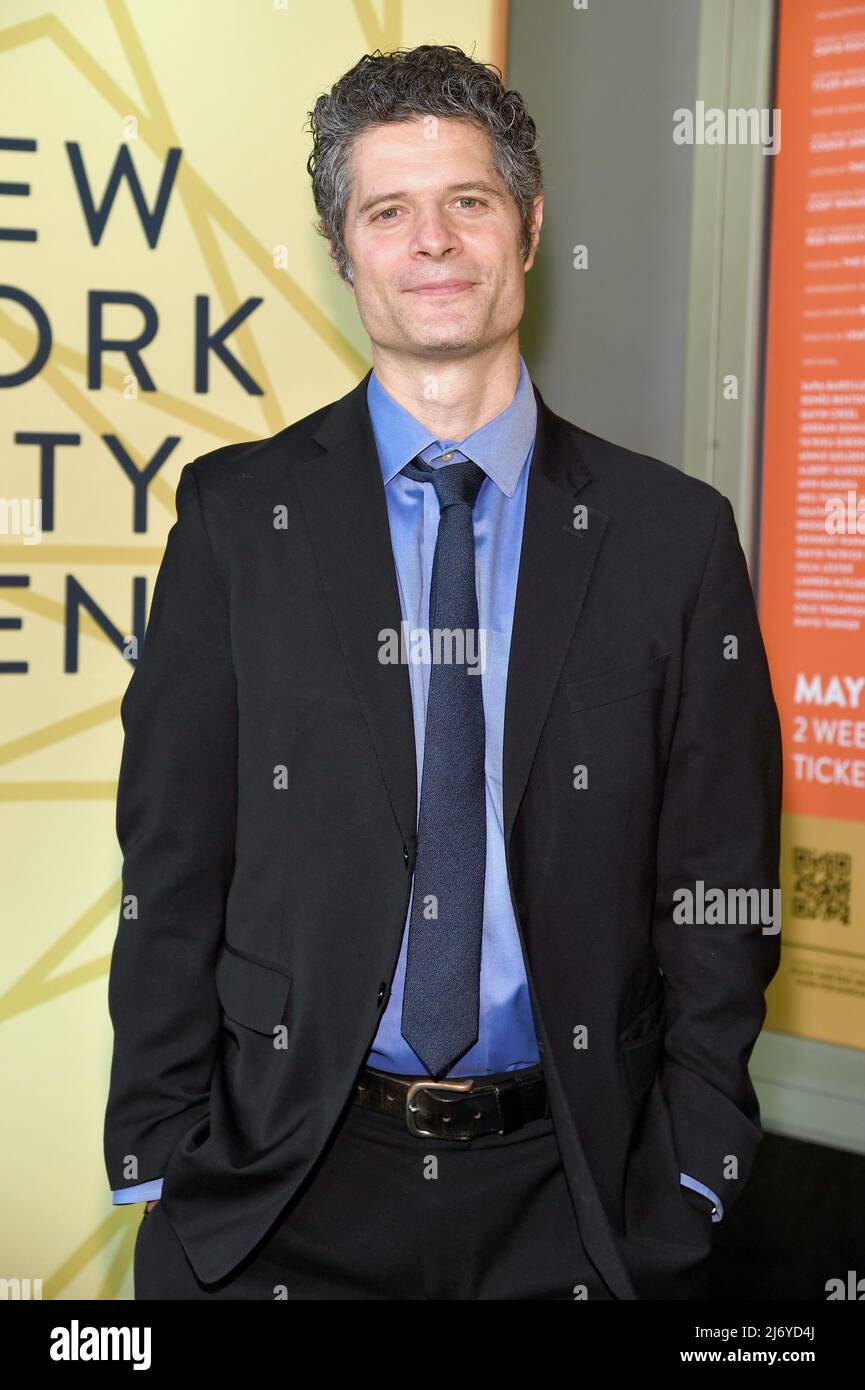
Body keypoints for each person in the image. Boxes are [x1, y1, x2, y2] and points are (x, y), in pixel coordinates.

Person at [104, 43, 782, 1300]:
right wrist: (161, 1159)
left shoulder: (671, 536)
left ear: (527, 226)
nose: (432, 241)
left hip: (580, 1193)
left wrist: (694, 1167)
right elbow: (171, 858)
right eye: (387, 210)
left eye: (467, 201)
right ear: (340, 247)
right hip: (279, 1192)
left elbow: (720, 882)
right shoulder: (237, 519)